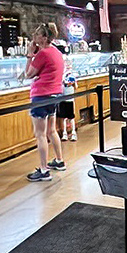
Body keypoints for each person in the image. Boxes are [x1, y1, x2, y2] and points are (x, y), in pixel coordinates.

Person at [25, 22, 66, 181]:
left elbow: (28, 74)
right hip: (54, 95)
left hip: (41, 96)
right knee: (52, 130)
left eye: (36, 35)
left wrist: (30, 55)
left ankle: (43, 170)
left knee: (40, 135)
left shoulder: (43, 54)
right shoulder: (55, 51)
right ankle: (59, 160)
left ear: (43, 37)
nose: (34, 38)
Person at [58, 66, 77, 141]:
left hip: (70, 100)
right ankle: (64, 133)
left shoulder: (72, 76)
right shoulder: (61, 76)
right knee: (63, 118)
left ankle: (73, 133)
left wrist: (72, 83)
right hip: (62, 99)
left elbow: (76, 87)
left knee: (71, 117)